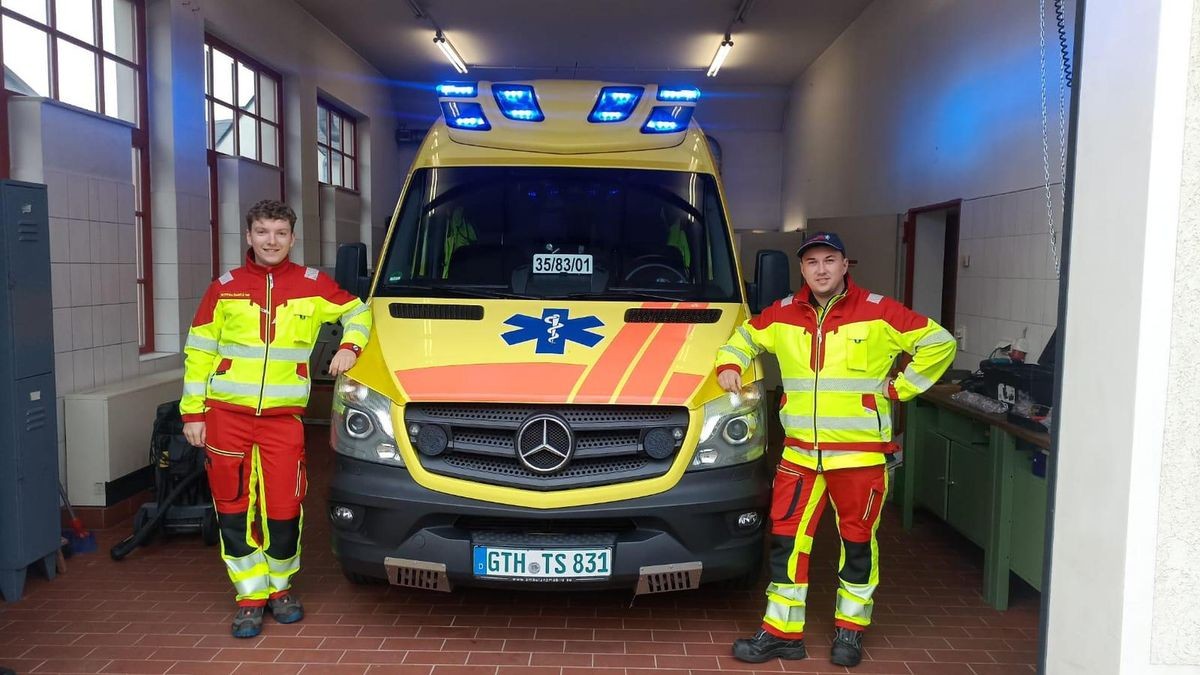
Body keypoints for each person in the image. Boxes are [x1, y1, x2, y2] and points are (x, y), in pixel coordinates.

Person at [715, 231, 956, 667]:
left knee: (858, 545)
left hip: (861, 459)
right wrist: (730, 364)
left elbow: (939, 343)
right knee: (786, 545)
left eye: (830, 260)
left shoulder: (880, 312)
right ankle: (781, 634)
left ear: (846, 265)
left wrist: (901, 388)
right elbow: (741, 339)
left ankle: (850, 631)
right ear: (802, 269)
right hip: (799, 457)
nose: (821, 269)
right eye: (812, 262)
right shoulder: (783, 313)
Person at [180, 199, 373, 638]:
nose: (271, 241)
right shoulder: (224, 288)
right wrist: (193, 413)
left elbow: (360, 311)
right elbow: (199, 353)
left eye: (280, 233)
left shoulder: (313, 284)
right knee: (232, 505)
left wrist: (350, 347)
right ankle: (249, 595)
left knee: (285, 506)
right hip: (225, 416)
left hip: (283, 421)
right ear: (249, 236)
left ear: (292, 237)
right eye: (263, 232)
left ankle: (280, 588)